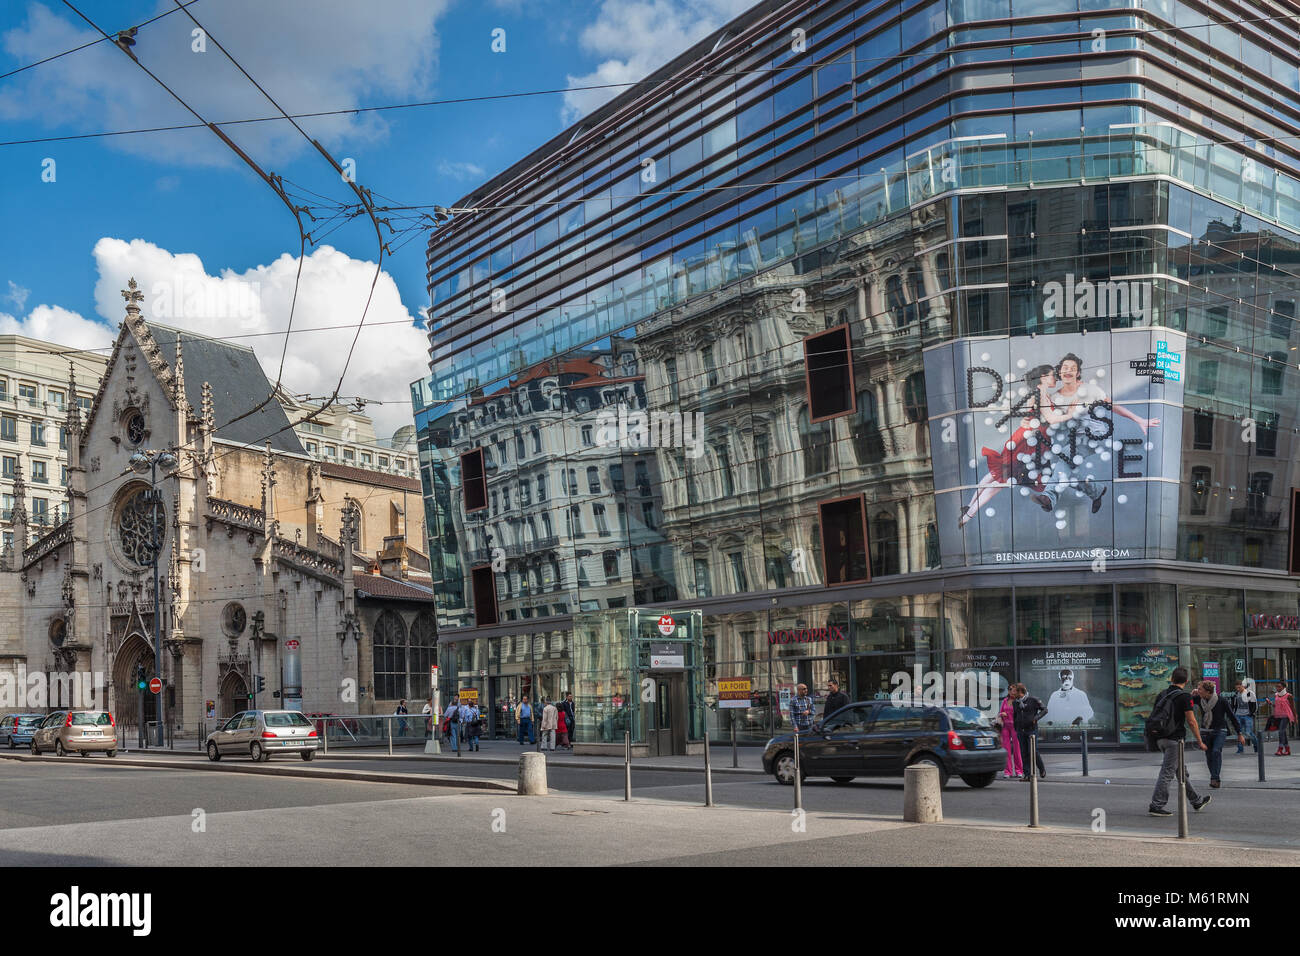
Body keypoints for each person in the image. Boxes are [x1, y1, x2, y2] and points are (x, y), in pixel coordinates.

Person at [1148, 666, 1212, 816]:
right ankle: (1156, 805)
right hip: (1174, 740)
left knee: (1181, 772)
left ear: (1171, 678)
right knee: (1167, 773)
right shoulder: (1184, 697)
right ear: (1187, 681)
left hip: (1160, 738)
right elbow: (1191, 721)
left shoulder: (1163, 694)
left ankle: (1196, 801)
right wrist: (1200, 741)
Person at [1194, 680, 1244, 788]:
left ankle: (1214, 778)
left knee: (1216, 751)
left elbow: (1232, 716)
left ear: (1208, 691)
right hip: (1205, 731)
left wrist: (1239, 733)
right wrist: (1191, 694)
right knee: (1208, 755)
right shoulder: (1199, 699)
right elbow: (1186, 703)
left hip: (1220, 730)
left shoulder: (1221, 700)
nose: (1198, 691)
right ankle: (1215, 777)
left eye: (1200, 689)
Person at [1012, 682, 1048, 779]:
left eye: (1014, 691)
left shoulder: (1033, 700)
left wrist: (1036, 718)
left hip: (1031, 730)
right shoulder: (1015, 702)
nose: (1012, 693)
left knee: (1033, 751)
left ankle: (1041, 768)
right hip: (1020, 731)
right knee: (1024, 752)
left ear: (1020, 691)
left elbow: (1045, 710)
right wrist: (1016, 727)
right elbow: (1015, 715)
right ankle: (1027, 775)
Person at [999, 688, 1022, 779]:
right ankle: (1007, 771)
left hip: (1015, 727)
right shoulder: (1004, 701)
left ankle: (1019, 771)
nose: (1014, 692)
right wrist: (1002, 714)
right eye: (1012, 690)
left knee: (1017, 750)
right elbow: (1000, 712)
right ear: (1009, 691)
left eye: (1015, 691)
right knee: (1006, 750)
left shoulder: (1018, 701)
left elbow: (1020, 713)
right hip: (1005, 727)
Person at [1268, 682, 1294, 755]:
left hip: (1286, 715)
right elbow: (1276, 705)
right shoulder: (1276, 695)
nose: (1277, 688)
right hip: (1278, 716)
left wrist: (1295, 717)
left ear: (1284, 687)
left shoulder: (1289, 696)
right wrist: (1270, 703)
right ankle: (1287, 749)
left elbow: (1292, 707)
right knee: (1283, 732)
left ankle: (1280, 749)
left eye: (1279, 687)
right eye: (1277, 687)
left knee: (1281, 731)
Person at [1231, 681, 1258, 754]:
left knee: (1248, 732)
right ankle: (1240, 749)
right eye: (1237, 688)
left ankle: (1257, 746)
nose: (1238, 689)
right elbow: (1233, 705)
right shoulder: (1236, 694)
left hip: (1247, 716)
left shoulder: (1250, 693)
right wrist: (1233, 714)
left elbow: (1254, 705)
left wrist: (1251, 713)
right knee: (1239, 733)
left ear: (1243, 686)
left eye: (1239, 687)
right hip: (1238, 715)